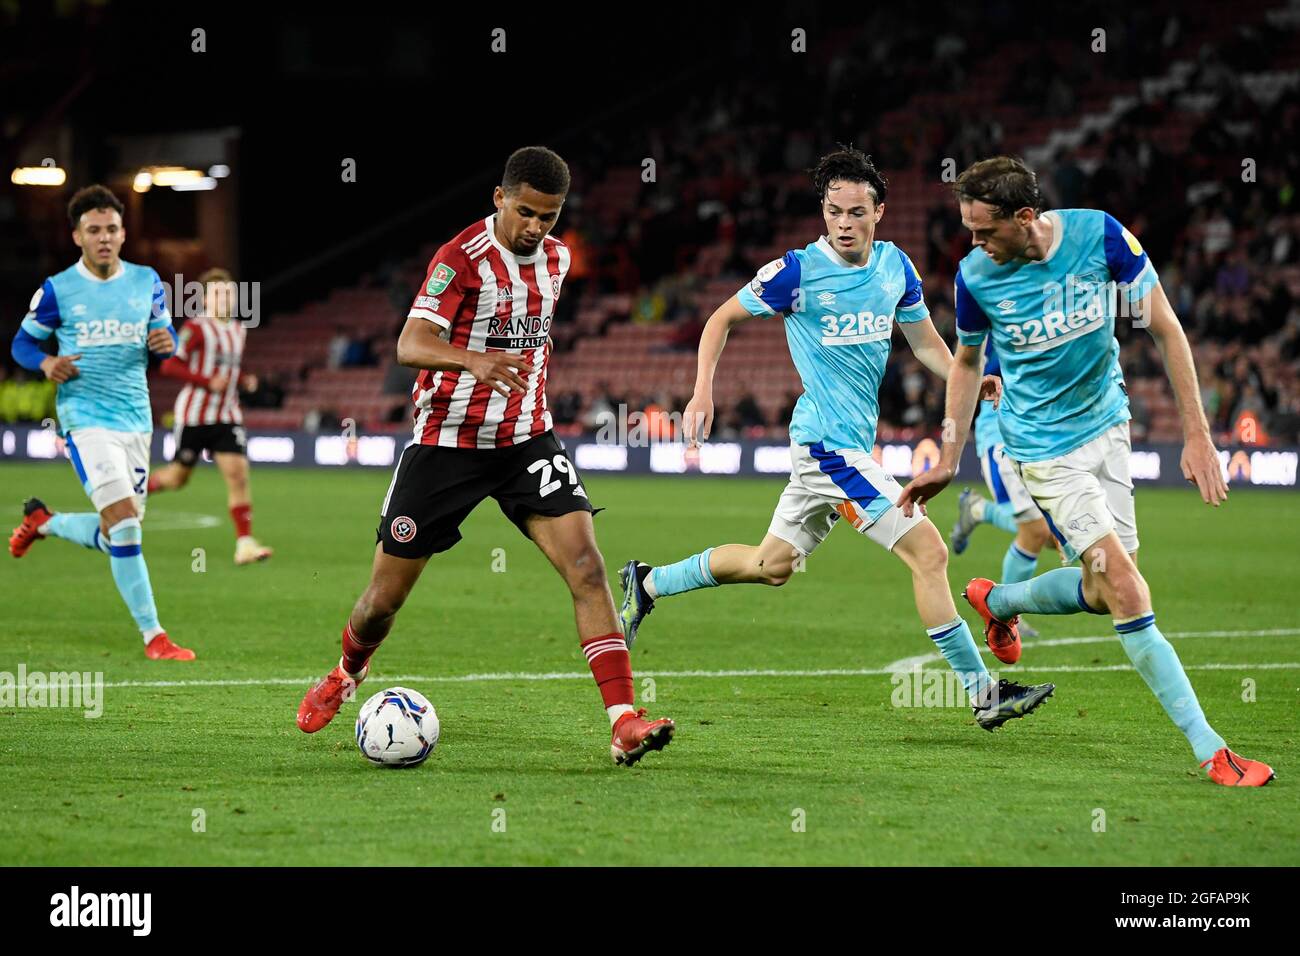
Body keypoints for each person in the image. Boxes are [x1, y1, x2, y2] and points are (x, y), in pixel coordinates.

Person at [618, 147, 1054, 732]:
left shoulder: (896, 267)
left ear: (879, 211)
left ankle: (647, 582)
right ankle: (984, 694)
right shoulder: (796, 271)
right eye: (832, 212)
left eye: (854, 212)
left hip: (842, 449)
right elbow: (719, 318)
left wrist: (967, 378)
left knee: (770, 565)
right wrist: (702, 391)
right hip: (828, 448)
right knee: (929, 552)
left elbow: (924, 343)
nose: (843, 224)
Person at [898, 156, 1273, 786]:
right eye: (968, 229)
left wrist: (1198, 436)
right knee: (1127, 588)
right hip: (1044, 452)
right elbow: (966, 363)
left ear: (1026, 217)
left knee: (1104, 596)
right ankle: (1212, 749)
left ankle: (1001, 599)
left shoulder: (1100, 236)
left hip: (1110, 429)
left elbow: (1165, 329)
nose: (974, 243)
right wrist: (951, 453)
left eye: (985, 229)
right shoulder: (976, 277)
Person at [296, 147, 675, 766]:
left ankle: (623, 721)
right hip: (445, 446)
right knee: (382, 602)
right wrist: (472, 359)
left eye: (548, 217)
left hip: (527, 441)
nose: (535, 228)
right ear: (499, 198)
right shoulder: (460, 260)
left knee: (587, 566)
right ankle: (345, 672)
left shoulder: (558, 257)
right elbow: (410, 344)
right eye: (525, 212)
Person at [8, 184, 194, 660]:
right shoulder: (58, 290)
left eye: (112, 228)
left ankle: (44, 522)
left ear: (123, 232)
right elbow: (22, 345)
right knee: (126, 526)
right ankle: (155, 636)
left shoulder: (146, 280)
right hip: (85, 419)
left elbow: (164, 331)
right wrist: (47, 364)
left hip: (136, 419)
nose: (104, 237)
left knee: (119, 533)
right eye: (94, 230)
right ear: (77, 237)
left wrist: (165, 343)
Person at [147, 268, 273, 565]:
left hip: (227, 416)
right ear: (205, 299)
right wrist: (207, 382)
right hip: (193, 417)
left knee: (238, 475)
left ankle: (244, 544)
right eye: (218, 294)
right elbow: (169, 366)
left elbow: (228, 368)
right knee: (177, 479)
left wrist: (243, 380)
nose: (225, 298)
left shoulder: (238, 329)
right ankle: (133, 493)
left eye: (229, 293)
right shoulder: (197, 328)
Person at [948, 342, 1056, 645]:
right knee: (1037, 532)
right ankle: (1006, 616)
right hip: (1001, 432)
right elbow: (973, 366)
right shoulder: (1004, 314)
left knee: (1047, 536)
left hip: (1033, 433)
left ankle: (978, 510)